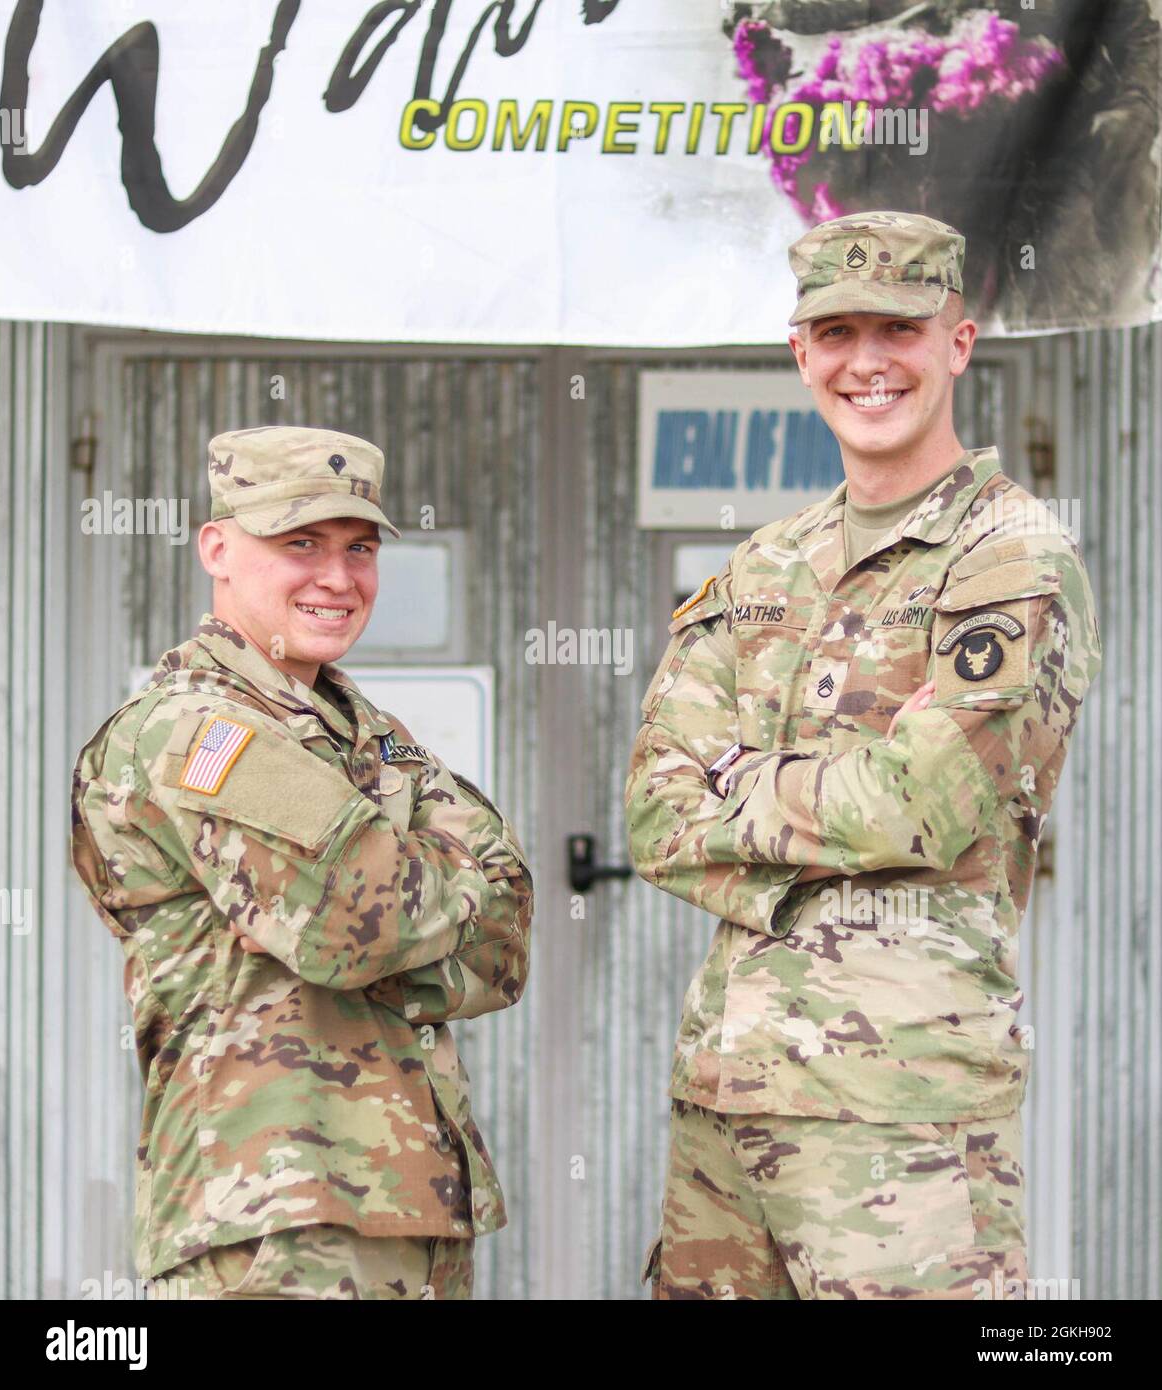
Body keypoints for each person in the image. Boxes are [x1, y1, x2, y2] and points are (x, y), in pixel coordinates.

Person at [624, 211, 1102, 1300]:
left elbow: (919, 806)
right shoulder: (764, 564)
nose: (866, 361)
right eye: (837, 332)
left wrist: (738, 780)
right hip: (724, 1099)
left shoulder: (1008, 556)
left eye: (898, 328)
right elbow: (654, 812)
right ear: (801, 354)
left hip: (902, 1117)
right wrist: (837, 794)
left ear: (957, 342)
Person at [70, 425, 532, 1300]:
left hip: (417, 1209)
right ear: (217, 548)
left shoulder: (370, 733)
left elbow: (508, 938)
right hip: (272, 1219)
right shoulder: (193, 730)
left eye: (360, 548)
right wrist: (428, 896)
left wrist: (405, 905)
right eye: (301, 543)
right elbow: (353, 924)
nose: (338, 577)